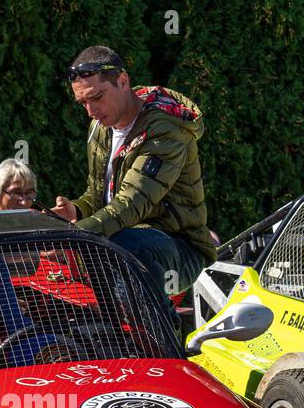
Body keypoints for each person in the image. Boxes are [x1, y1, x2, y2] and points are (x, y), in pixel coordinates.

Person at [50, 46, 216, 324]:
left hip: (181, 248)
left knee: (123, 245)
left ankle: (166, 344)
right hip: (123, 239)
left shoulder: (166, 130)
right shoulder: (101, 127)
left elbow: (132, 203)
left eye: (97, 97)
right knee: (109, 247)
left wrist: (75, 234)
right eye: (83, 103)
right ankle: (115, 340)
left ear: (123, 82)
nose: (91, 111)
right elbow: (98, 197)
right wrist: (75, 212)